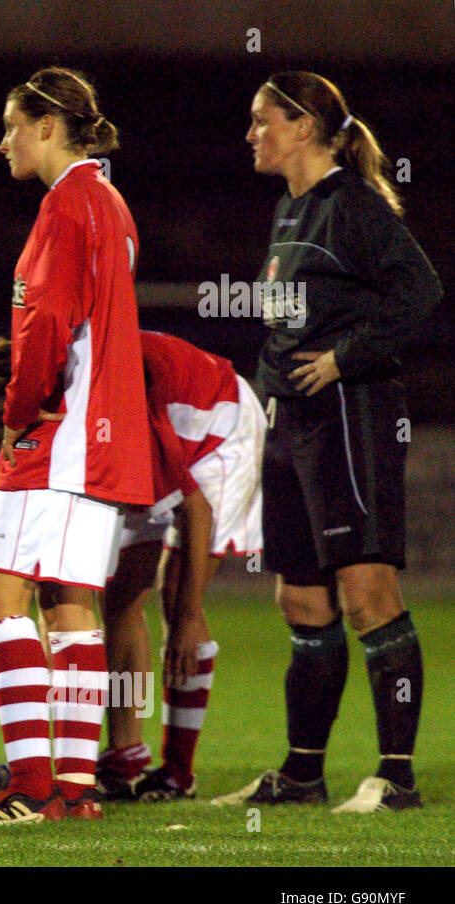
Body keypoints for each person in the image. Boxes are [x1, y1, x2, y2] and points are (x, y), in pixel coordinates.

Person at [214, 72, 441, 813]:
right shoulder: (292, 208)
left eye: (262, 121)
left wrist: (347, 358)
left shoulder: (354, 207)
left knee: (367, 593)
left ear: (303, 126)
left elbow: (421, 291)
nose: (251, 134)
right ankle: (303, 775)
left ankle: (396, 777)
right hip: (292, 422)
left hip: (349, 416)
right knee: (300, 598)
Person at [0, 67, 153, 825]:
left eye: (13, 124)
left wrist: (18, 410)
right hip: (106, 438)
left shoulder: (63, 207)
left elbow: (45, 326)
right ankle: (72, 793)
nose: (4, 139)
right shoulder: (111, 203)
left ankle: (32, 782)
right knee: (70, 605)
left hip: (61, 437)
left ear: (49, 126)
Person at [95, 330, 265, 802]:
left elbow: (195, 510)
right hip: (172, 414)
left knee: (176, 598)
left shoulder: (123, 403)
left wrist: (188, 617)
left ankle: (178, 771)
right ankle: (125, 755)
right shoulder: (95, 386)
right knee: (122, 596)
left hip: (220, 426)